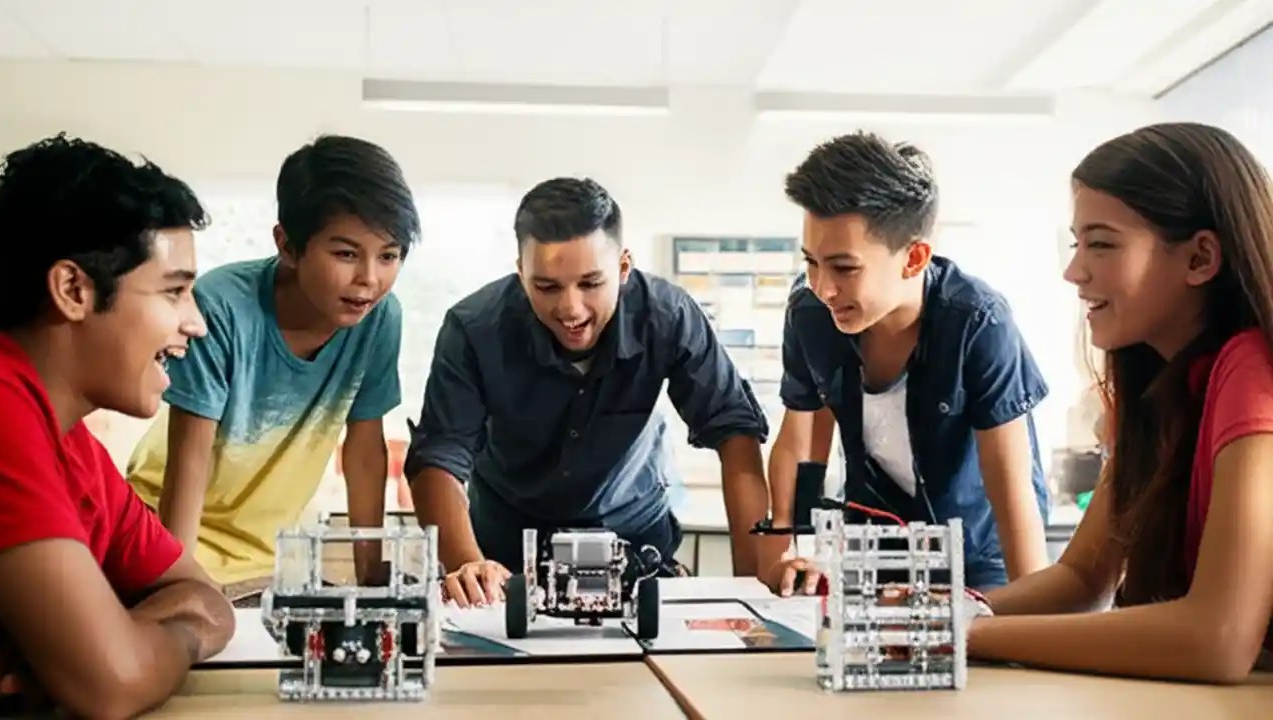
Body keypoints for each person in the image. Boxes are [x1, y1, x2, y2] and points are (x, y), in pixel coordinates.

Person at [968, 122, 1273, 682]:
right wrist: (951, 612)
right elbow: (1084, 578)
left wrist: (968, 635)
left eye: (1101, 244)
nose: (1073, 271)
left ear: (1200, 258)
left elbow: (1218, 640)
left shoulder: (1252, 371)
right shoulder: (1163, 388)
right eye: (1076, 242)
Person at [405, 177, 779, 607]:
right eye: (546, 287)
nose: (571, 308)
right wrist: (467, 567)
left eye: (590, 283)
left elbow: (735, 432)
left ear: (623, 268)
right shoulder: (474, 328)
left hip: (636, 550)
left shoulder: (667, 315)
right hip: (505, 556)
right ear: (520, 272)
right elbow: (439, 458)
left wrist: (753, 587)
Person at [0, 135, 235, 717]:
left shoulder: (74, 446)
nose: (196, 323)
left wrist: (125, 639)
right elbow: (113, 685)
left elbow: (206, 598)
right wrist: (129, 650)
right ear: (74, 290)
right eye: (174, 291)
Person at [125, 135, 420, 599]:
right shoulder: (221, 308)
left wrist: (372, 580)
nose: (369, 278)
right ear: (287, 244)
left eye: (388, 255)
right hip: (164, 537)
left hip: (269, 560)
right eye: (345, 253)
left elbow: (365, 449)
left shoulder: (379, 318)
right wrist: (175, 590)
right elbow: (192, 458)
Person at [763, 132, 1052, 594]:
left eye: (843, 267)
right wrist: (793, 548)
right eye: (811, 262)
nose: (822, 287)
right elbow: (802, 442)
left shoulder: (978, 323)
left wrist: (1036, 622)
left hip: (976, 555)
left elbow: (1012, 491)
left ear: (914, 257)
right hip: (873, 547)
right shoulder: (810, 315)